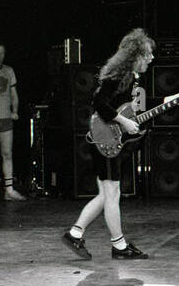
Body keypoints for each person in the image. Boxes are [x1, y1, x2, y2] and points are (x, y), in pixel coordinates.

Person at [60, 28, 154, 260]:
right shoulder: (121, 76)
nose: (151, 58)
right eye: (148, 54)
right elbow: (99, 103)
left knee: (107, 193)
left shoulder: (133, 78)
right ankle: (119, 246)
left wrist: (166, 101)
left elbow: (135, 108)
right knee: (112, 192)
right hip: (105, 139)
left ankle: (75, 233)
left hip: (106, 138)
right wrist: (123, 121)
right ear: (137, 55)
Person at [0, 43, 26, 202]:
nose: (0, 56)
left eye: (2, 53)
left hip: (5, 118)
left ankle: (9, 189)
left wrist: (14, 111)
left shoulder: (9, 71)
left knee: (7, 153)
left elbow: (14, 94)